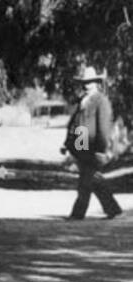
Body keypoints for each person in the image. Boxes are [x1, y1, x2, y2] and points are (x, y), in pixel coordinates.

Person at [62, 66, 123, 220]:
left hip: (92, 145)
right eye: (84, 82)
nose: (86, 85)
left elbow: (103, 127)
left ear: (96, 83)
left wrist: (101, 150)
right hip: (81, 144)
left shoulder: (101, 101)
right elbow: (75, 124)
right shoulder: (82, 100)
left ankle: (78, 213)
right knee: (93, 178)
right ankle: (113, 208)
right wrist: (68, 143)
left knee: (86, 180)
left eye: (90, 82)